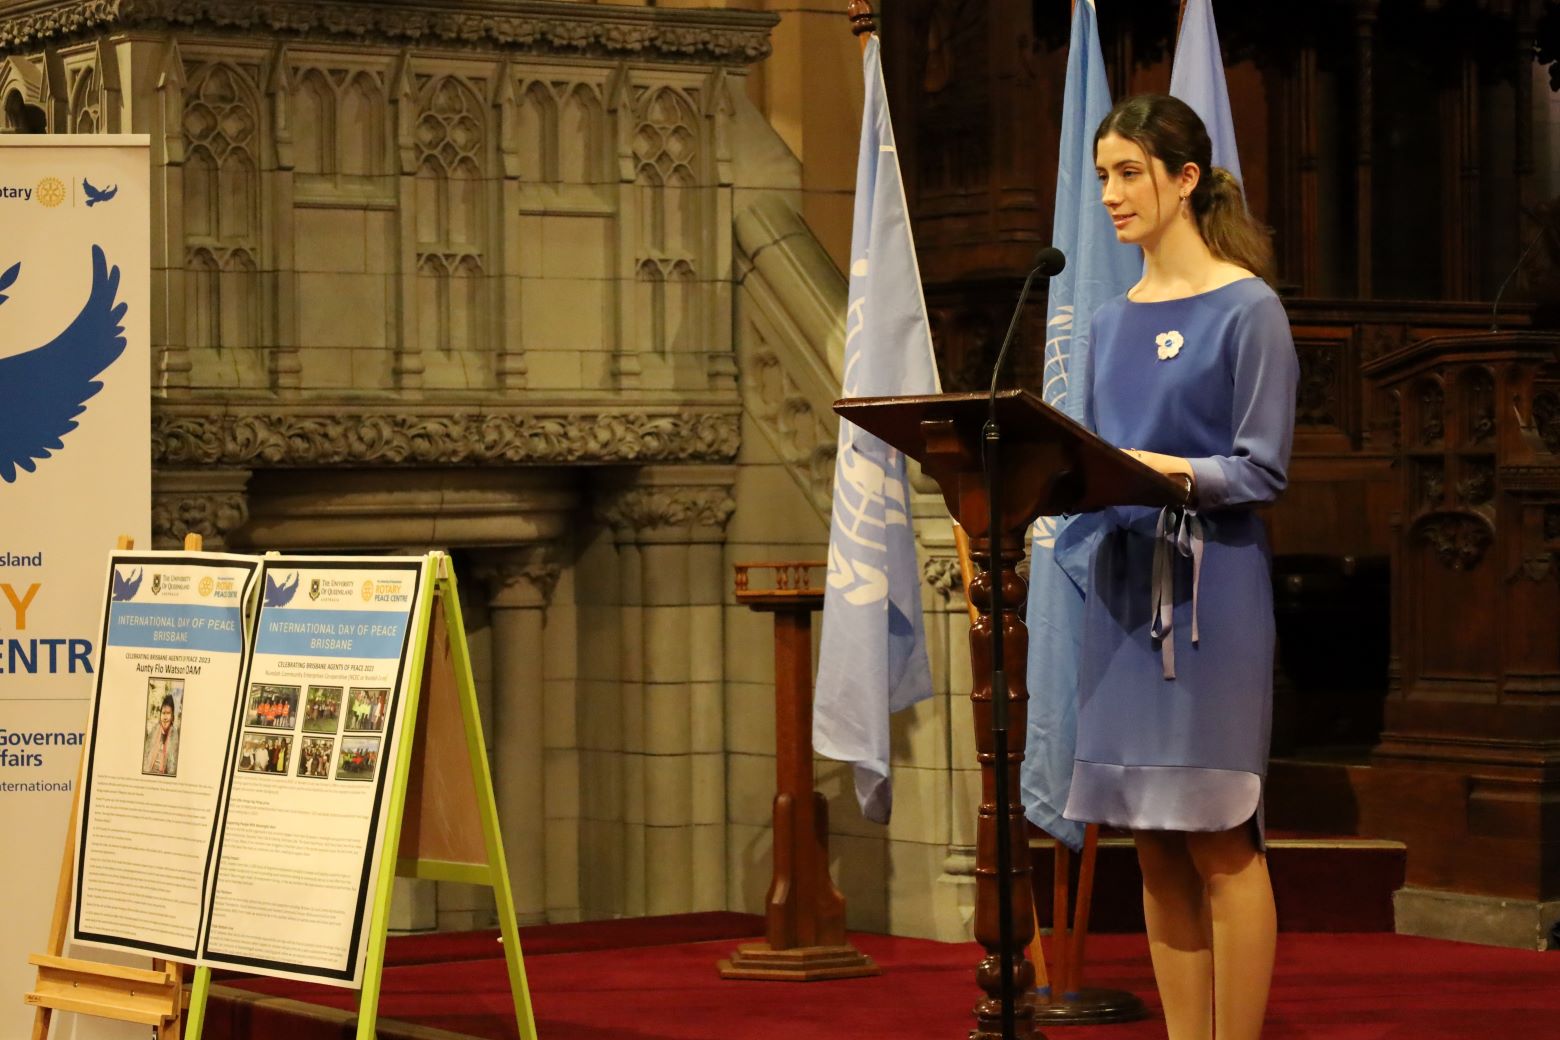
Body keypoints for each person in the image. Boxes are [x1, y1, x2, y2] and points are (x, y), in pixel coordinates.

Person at [1052, 94, 1298, 1040]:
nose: (1110, 194)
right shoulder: (1110, 323)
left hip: (1210, 598)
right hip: (1121, 591)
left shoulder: (1249, 308)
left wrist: (1165, 470)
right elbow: (1098, 456)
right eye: (1103, 174)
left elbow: (1262, 465)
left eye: (1129, 173)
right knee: (1151, 843)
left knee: (1218, 837)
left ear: (1184, 179)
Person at [143, 692, 179, 775]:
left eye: (168, 713)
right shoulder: (154, 731)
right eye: (163, 713)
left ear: (172, 716)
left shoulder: (175, 736)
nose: (165, 718)